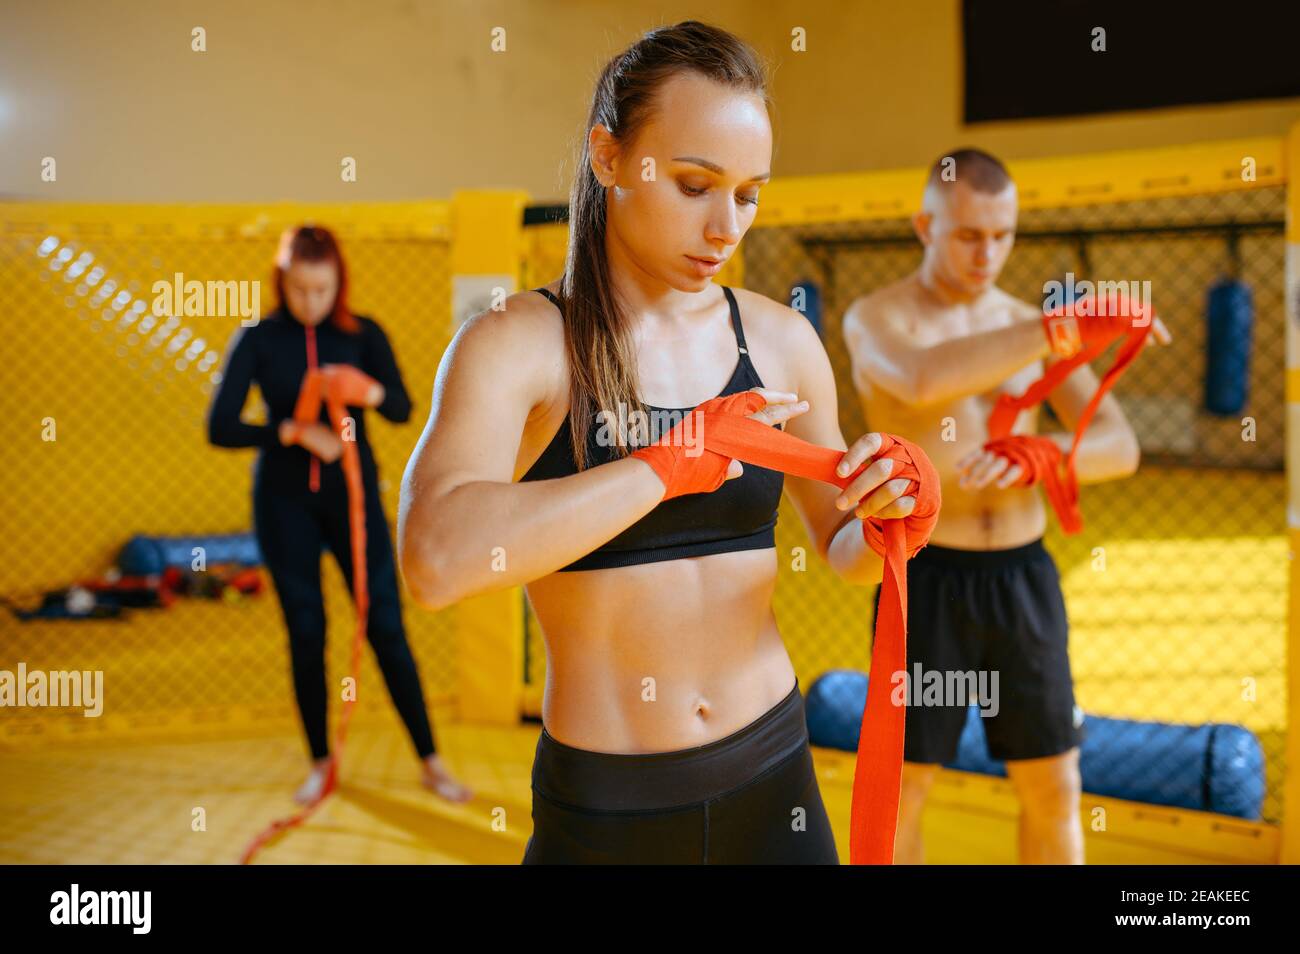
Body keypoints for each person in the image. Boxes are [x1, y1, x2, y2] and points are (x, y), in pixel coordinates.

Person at [397, 21, 921, 865]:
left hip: (773, 777)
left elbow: (843, 545)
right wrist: (663, 465)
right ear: (609, 158)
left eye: (748, 193)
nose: (725, 226)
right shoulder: (522, 342)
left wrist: (892, 513)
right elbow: (435, 560)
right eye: (693, 184)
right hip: (612, 810)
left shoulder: (782, 341)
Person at [842, 148, 1172, 864]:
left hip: (1022, 577)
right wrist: (1064, 331)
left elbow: (1121, 446)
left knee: (1054, 781)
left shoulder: (1029, 322)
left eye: (1003, 235)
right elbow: (922, 379)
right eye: (968, 234)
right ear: (924, 224)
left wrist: (1045, 454)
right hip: (923, 576)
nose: (987, 253)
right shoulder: (879, 317)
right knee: (905, 784)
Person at [207, 224, 471, 807]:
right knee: (306, 630)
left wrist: (366, 392)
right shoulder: (257, 338)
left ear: (338, 283)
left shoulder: (363, 335)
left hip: (351, 500)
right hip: (283, 503)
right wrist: (293, 430)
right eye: (299, 290)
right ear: (283, 282)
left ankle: (430, 761)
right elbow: (219, 426)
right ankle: (321, 764)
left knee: (385, 627)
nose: (310, 302)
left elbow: (403, 408)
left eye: (321, 290)